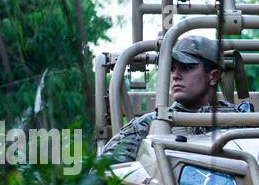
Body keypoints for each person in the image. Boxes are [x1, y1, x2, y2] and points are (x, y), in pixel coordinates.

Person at [102, 34, 242, 162]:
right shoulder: (147, 125)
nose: (175, 75)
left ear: (213, 76)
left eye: (186, 68)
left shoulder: (241, 121)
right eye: (172, 68)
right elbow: (102, 176)